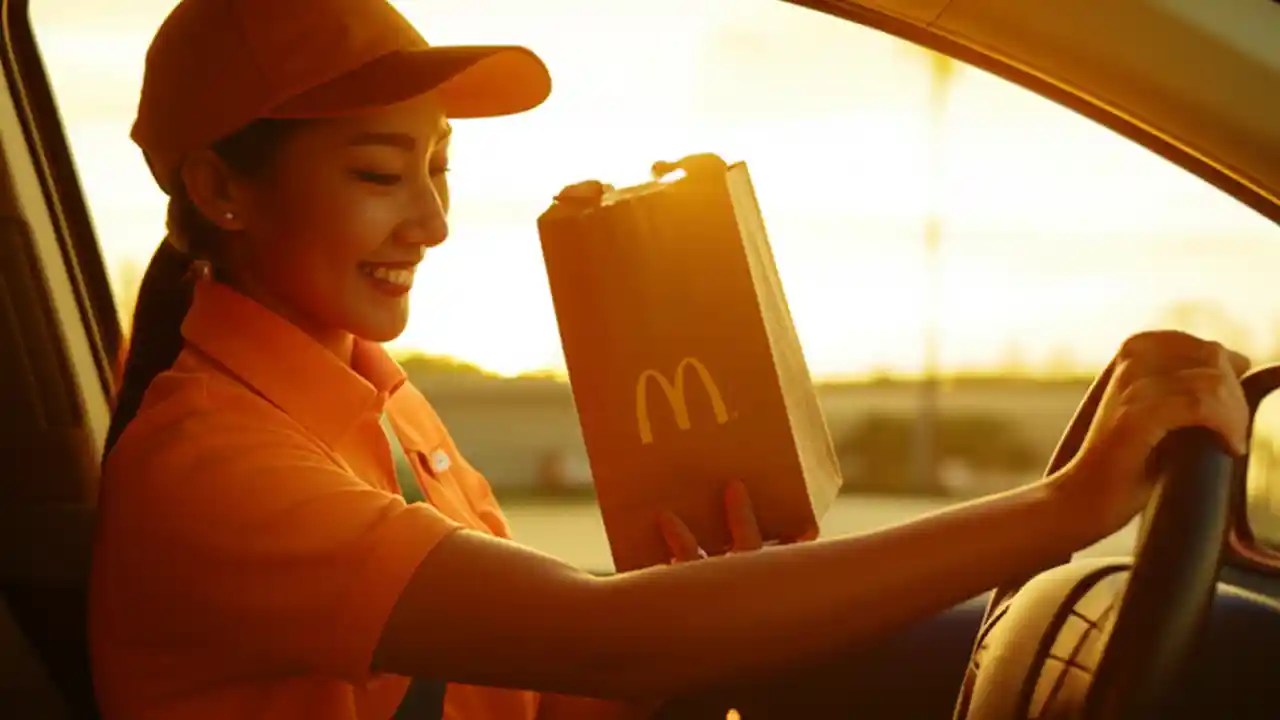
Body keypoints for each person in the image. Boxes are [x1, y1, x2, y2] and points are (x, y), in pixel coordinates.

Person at [88, 0, 1252, 718]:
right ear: (220, 189)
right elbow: (596, 634)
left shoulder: (369, 404)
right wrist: (1063, 508)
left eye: (438, 169)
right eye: (380, 175)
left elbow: (546, 687)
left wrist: (677, 619)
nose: (432, 222)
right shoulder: (213, 465)